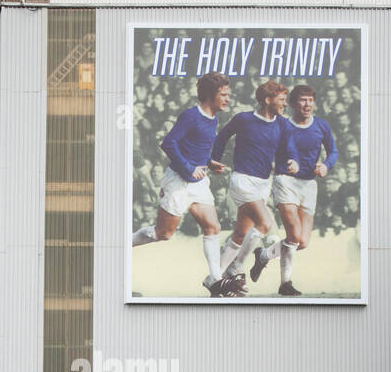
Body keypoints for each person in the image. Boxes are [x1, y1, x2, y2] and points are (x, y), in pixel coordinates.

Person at [132, 72, 240, 297]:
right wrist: (189, 168)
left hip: (198, 183)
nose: (228, 99)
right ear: (211, 95)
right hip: (179, 182)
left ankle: (215, 279)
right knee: (163, 234)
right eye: (224, 94)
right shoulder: (191, 116)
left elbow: (195, 147)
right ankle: (122, 245)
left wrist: (209, 162)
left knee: (213, 227)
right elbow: (169, 144)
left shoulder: (214, 118)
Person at [255, 84, 337, 297]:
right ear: (292, 104)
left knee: (301, 242)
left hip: (309, 184)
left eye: (310, 100)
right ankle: (286, 283)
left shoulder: (321, 125)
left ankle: (264, 255)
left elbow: (333, 151)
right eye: (302, 100)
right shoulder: (282, 125)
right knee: (294, 234)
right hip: (286, 181)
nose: (307, 104)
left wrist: (326, 165)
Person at [209, 80, 288, 285]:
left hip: (264, 184)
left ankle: (214, 277)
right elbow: (222, 136)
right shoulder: (244, 119)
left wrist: (293, 161)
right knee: (265, 223)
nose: (285, 104)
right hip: (242, 181)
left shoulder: (281, 123)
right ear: (267, 100)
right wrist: (214, 159)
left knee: (240, 234)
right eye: (281, 100)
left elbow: (289, 148)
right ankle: (237, 267)